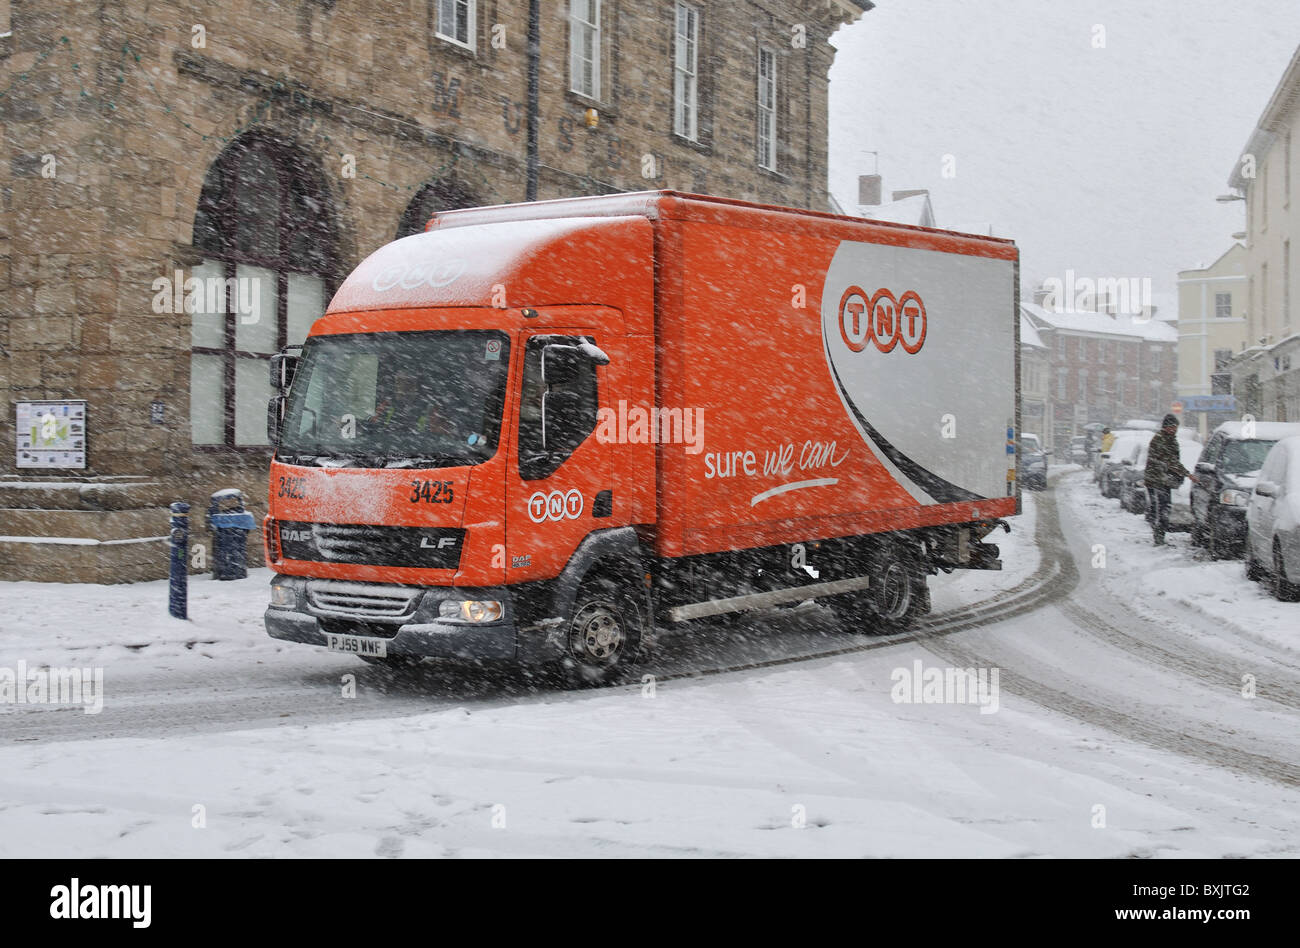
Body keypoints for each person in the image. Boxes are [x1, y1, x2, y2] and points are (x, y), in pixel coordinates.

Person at [1143, 414, 1195, 546]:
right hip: (1156, 480)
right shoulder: (1160, 439)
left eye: (1176, 427)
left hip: (1162, 479)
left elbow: (1173, 461)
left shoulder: (1171, 439)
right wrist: (1187, 474)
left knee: (1163, 508)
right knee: (1161, 509)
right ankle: (1158, 537)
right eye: (1172, 427)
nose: (1174, 429)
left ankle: (1159, 534)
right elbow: (1170, 461)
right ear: (1165, 427)